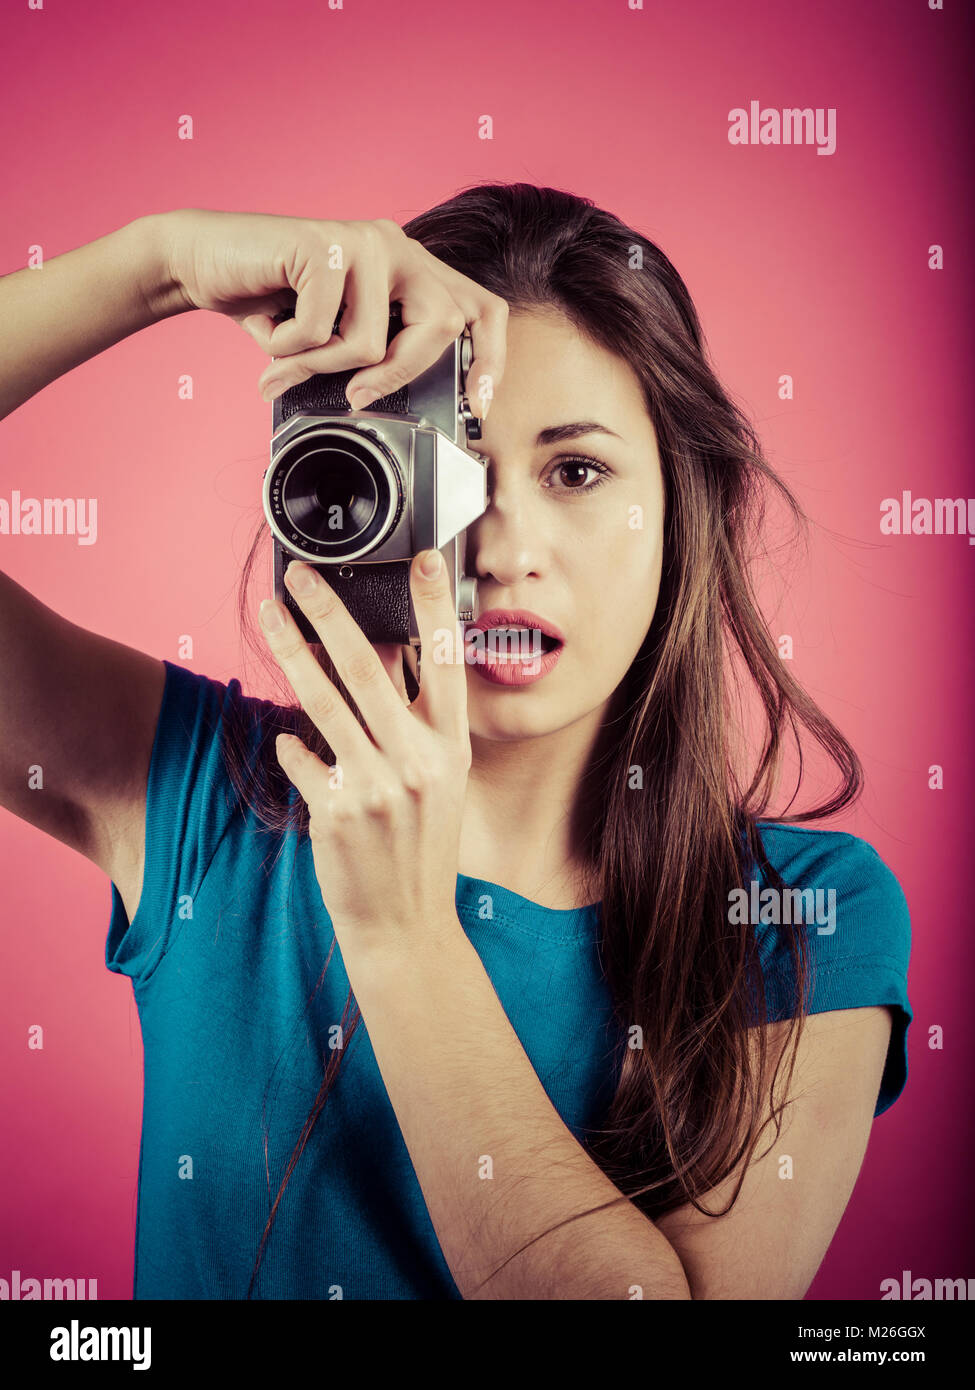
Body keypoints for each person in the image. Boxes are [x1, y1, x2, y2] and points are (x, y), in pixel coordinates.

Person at [0, 183, 912, 1301]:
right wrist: (160, 264)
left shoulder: (805, 916)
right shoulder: (199, 798)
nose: (503, 547)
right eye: (454, 466)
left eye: (576, 472)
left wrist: (404, 939)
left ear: (685, 511)